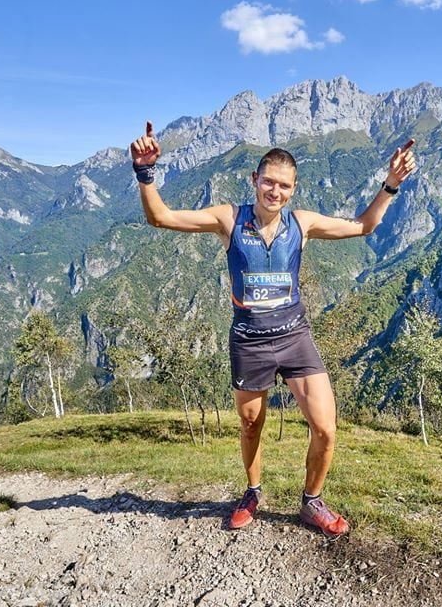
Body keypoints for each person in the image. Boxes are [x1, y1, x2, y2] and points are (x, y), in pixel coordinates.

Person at [130, 121, 416, 536]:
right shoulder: (228, 219)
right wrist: (145, 173)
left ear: (293, 189)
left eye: (283, 185)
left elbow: (363, 226)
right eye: (268, 182)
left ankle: (312, 502)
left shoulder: (302, 224)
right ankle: (252, 491)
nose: (274, 191)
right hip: (249, 340)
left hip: (295, 338)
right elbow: (161, 217)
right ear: (255, 180)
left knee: (326, 428)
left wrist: (390, 184)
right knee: (250, 425)